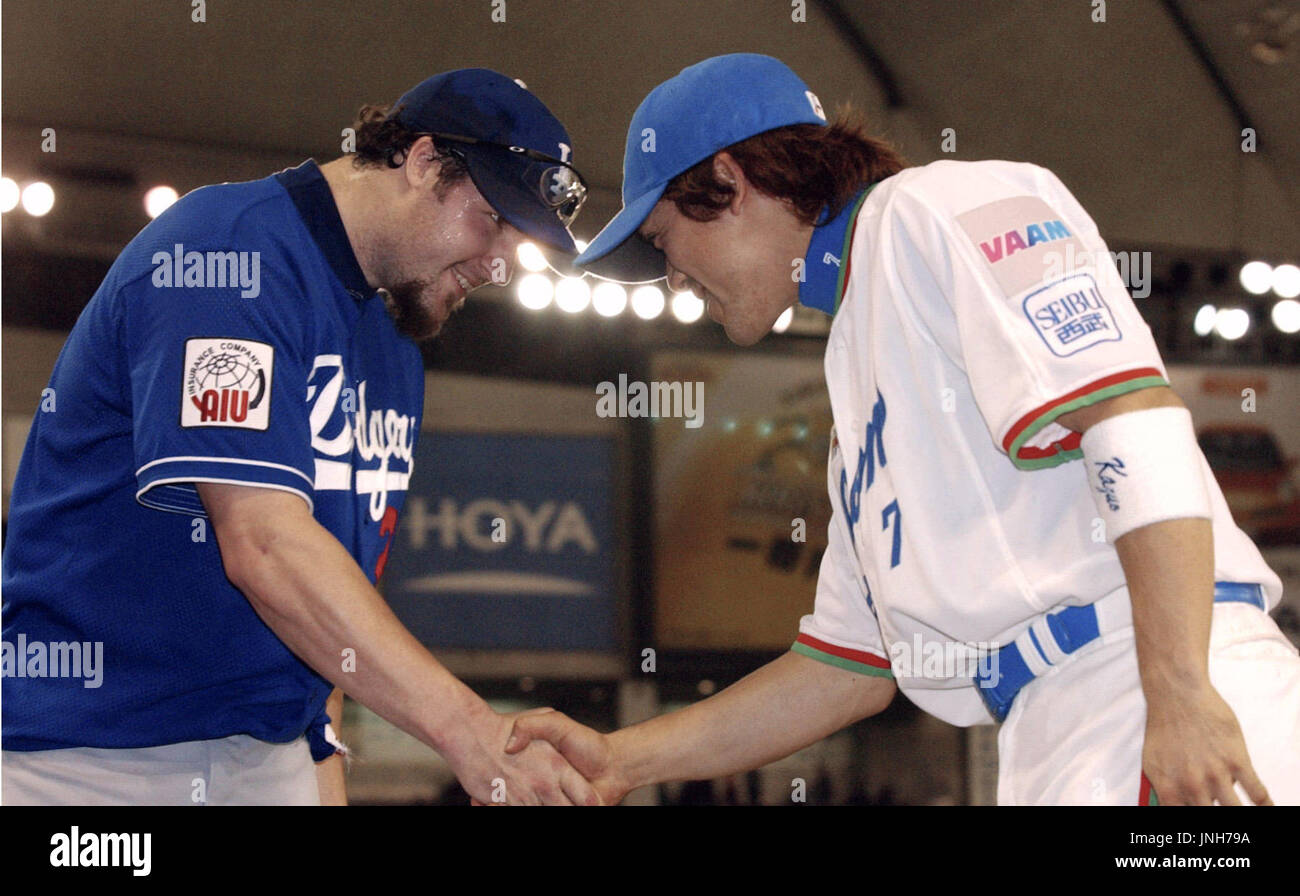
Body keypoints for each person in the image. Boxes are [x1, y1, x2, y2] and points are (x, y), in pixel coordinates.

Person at [503, 53, 1300, 806]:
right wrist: (621, 759)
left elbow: (1133, 421)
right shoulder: (856, 371)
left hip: (1157, 682)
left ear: (728, 180)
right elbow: (845, 669)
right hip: (1059, 728)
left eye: (663, 240)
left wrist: (1181, 693)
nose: (674, 277)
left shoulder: (935, 207)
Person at [1, 68, 600, 806]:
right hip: (94, 760)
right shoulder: (225, 255)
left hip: (272, 757)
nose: (502, 263)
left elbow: (331, 610)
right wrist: (470, 732)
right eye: (494, 222)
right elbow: (264, 546)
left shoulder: (393, 341)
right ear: (421, 162)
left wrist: (323, 775)